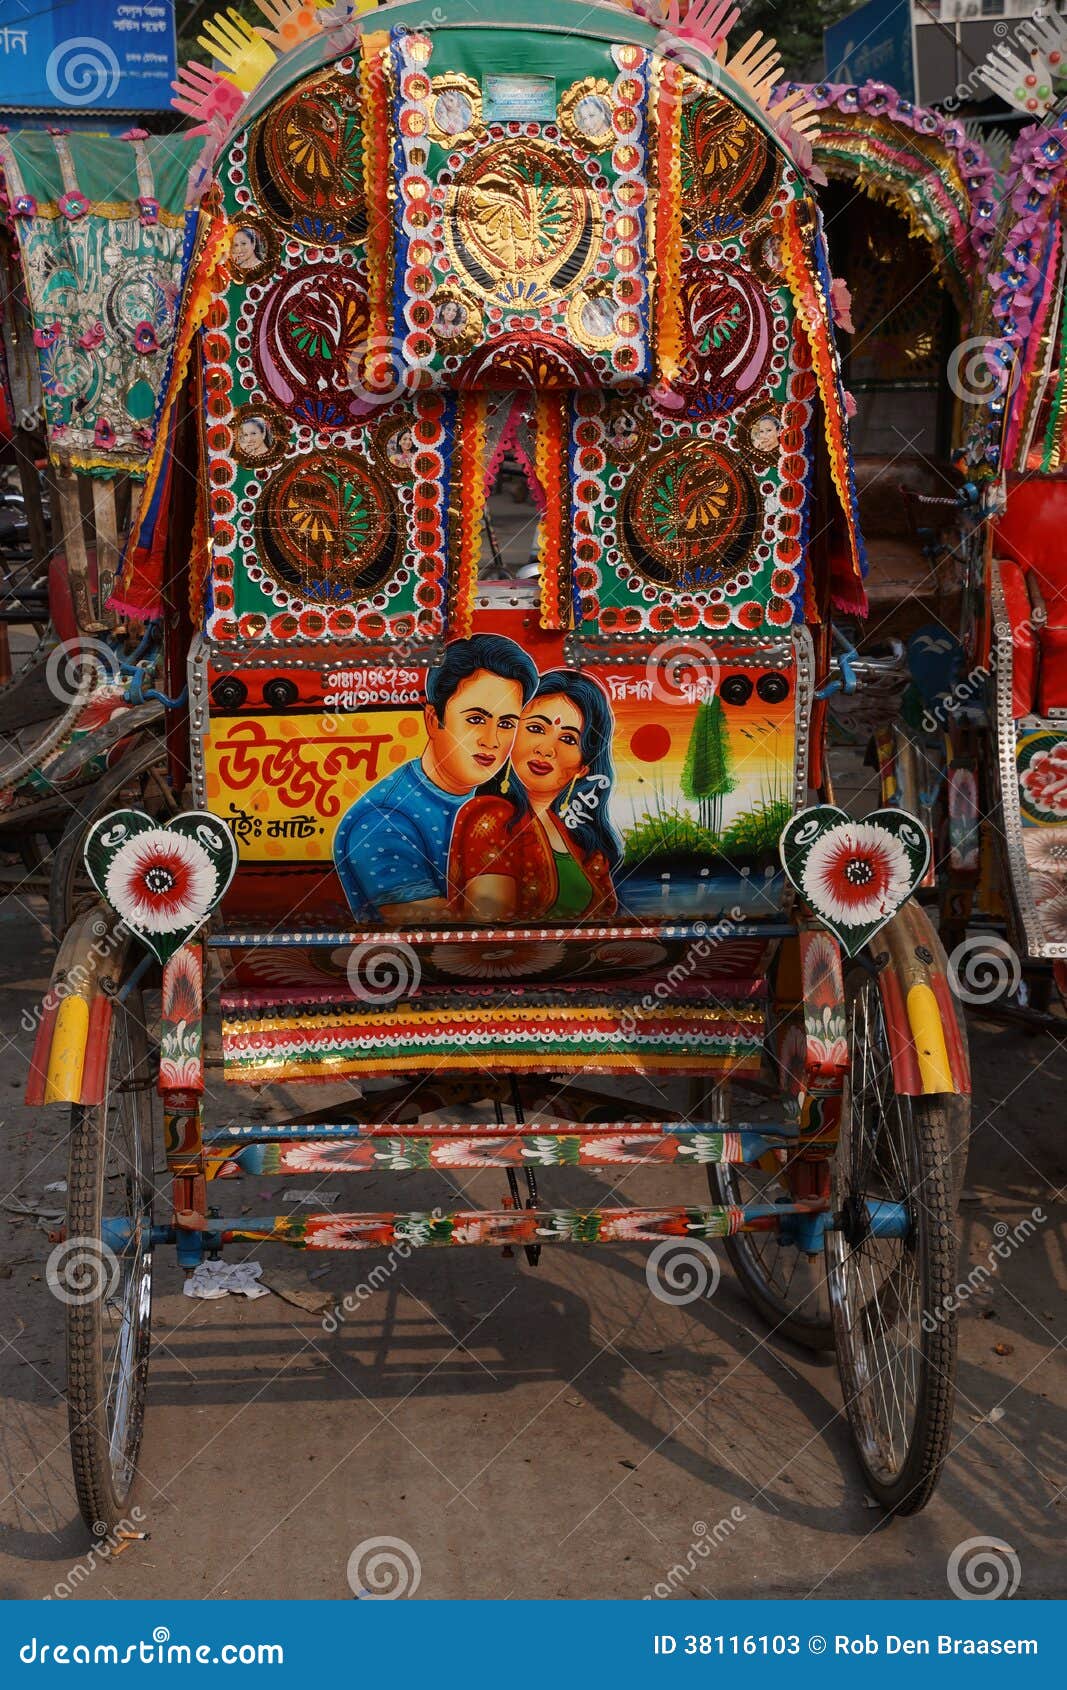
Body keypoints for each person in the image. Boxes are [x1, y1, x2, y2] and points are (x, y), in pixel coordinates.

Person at [333, 634, 538, 923]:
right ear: (433, 720)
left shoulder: (495, 802)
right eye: (476, 719)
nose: (491, 740)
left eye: (505, 724)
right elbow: (444, 934)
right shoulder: (383, 819)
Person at [448, 669, 621, 922]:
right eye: (536, 728)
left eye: (568, 739)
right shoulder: (492, 817)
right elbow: (491, 926)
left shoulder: (580, 839)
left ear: (584, 765)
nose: (546, 749)